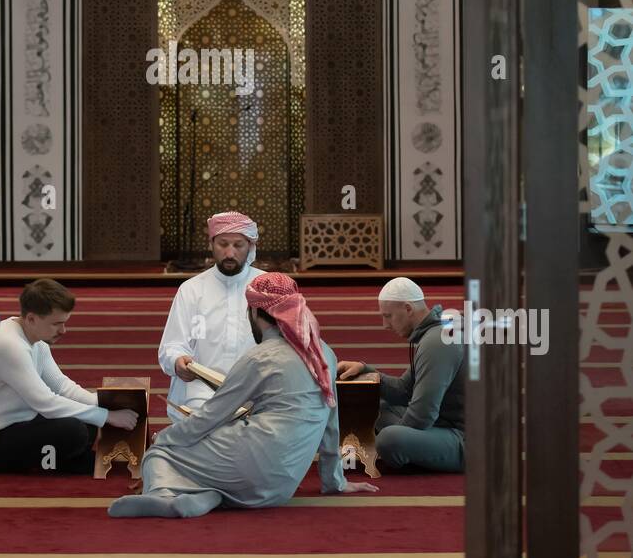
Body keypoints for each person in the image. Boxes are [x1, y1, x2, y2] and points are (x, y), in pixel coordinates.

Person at [110, 272, 378, 519]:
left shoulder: (260, 357)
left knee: (162, 452)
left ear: (255, 311)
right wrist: (335, 482)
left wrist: (165, 438)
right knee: (214, 463)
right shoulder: (324, 354)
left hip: (249, 461)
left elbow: (212, 415)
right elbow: (331, 426)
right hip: (281, 488)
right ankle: (208, 497)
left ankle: (163, 494)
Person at [0, 277, 138, 474]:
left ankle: (69, 459)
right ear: (31, 318)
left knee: (85, 422)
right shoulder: (9, 345)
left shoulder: (35, 337)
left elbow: (62, 386)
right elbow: (47, 403)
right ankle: (71, 463)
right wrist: (107, 416)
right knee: (74, 431)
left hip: (23, 421)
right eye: (56, 324)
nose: (63, 331)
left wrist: (104, 402)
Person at [336, 276, 464, 473]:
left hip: (463, 438)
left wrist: (378, 444)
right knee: (377, 409)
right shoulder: (433, 334)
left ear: (408, 309)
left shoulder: (436, 342)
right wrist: (366, 371)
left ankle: (404, 453)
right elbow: (405, 391)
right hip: (443, 423)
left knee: (390, 439)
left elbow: (422, 415)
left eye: (388, 316)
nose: (385, 325)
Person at [158, 210, 265, 422]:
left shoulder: (267, 287)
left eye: (238, 245)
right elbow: (171, 346)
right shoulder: (191, 290)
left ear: (250, 247)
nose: (229, 253)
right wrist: (178, 362)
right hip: (202, 394)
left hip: (257, 393)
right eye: (223, 244)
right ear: (211, 244)